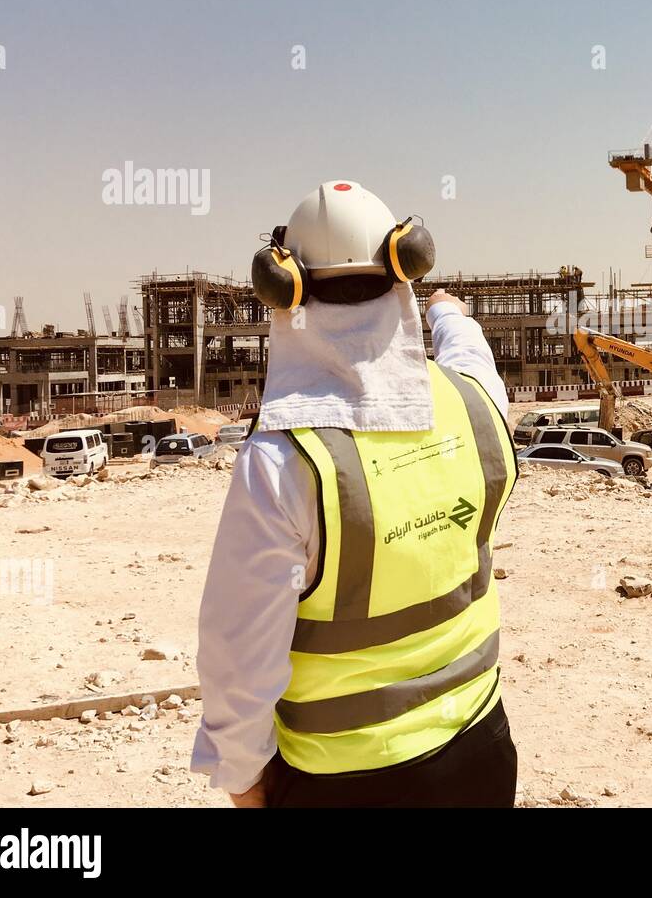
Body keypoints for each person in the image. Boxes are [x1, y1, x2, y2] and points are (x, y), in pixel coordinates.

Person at [190, 180, 519, 808]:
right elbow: (470, 353)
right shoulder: (475, 405)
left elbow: (239, 655)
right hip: (479, 749)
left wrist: (243, 777)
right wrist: (448, 311)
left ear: (281, 289)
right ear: (406, 272)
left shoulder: (284, 461)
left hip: (343, 780)